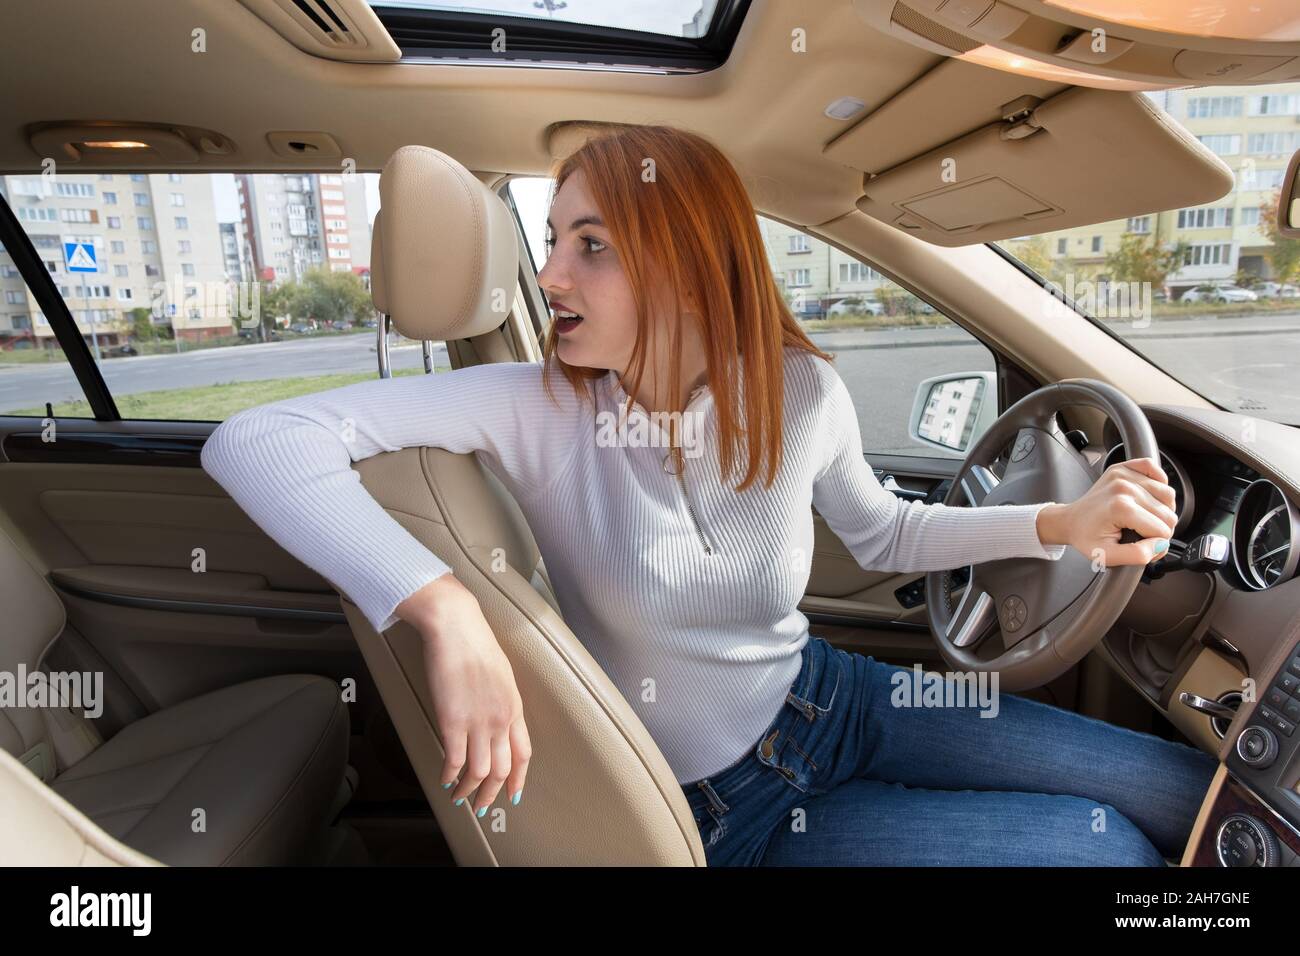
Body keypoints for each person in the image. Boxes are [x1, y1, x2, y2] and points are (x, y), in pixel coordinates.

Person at [200, 125, 1215, 866]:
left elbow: (883, 528)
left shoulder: (798, 388)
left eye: (587, 244)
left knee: (1182, 789)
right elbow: (256, 439)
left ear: (688, 265)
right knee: (1107, 850)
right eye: (551, 239)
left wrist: (1060, 522)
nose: (550, 272)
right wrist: (438, 604)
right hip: (732, 814)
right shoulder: (534, 404)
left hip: (835, 698)